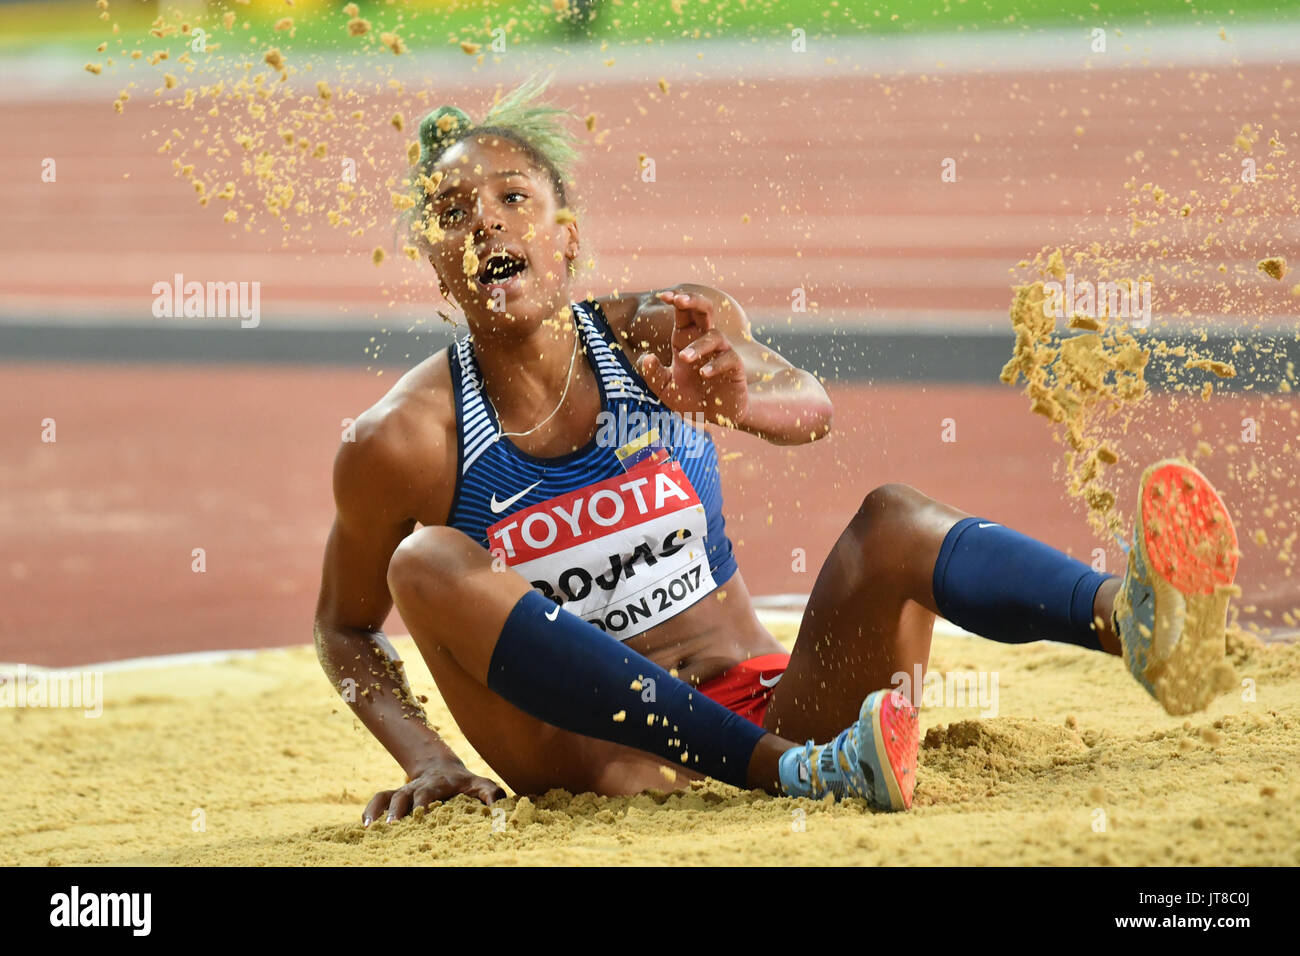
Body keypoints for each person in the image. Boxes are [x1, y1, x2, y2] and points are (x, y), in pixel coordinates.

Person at [312, 77, 1240, 826]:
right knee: (424, 558)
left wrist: (747, 398)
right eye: (454, 212)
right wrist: (429, 759)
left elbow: (812, 406)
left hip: (783, 715)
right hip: (607, 765)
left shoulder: (658, 333)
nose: (487, 224)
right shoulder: (401, 439)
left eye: (514, 199)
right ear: (437, 262)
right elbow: (343, 626)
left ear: (567, 237)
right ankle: (794, 775)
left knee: (895, 521)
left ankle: (1138, 622)